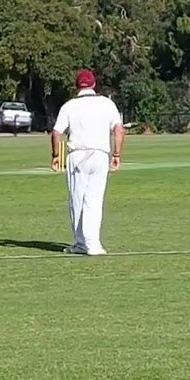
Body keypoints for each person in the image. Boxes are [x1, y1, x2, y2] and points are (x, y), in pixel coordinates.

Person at [51, 69, 125, 256]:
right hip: (100, 155)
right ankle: (94, 243)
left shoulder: (69, 106)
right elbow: (118, 129)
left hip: (77, 155)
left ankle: (82, 243)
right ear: (93, 85)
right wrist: (116, 154)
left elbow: (57, 132)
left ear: (77, 86)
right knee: (94, 199)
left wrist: (56, 156)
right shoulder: (106, 103)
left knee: (77, 200)